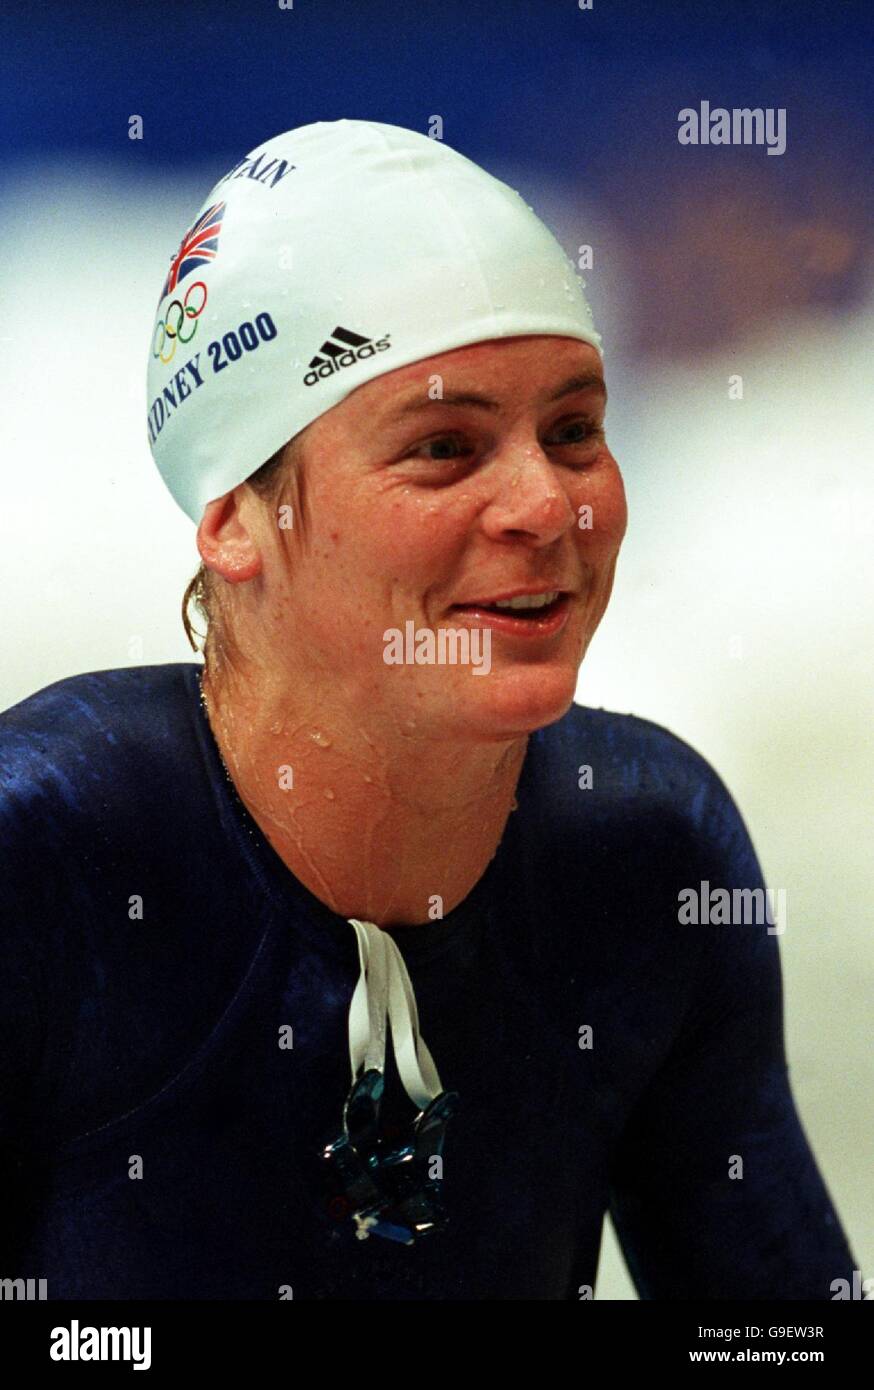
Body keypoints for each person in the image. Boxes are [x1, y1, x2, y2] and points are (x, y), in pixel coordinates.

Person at [0, 119, 858, 1299]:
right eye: (445, 447)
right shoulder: (51, 851)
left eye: (573, 432)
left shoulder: (646, 855)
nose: (547, 507)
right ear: (238, 520)